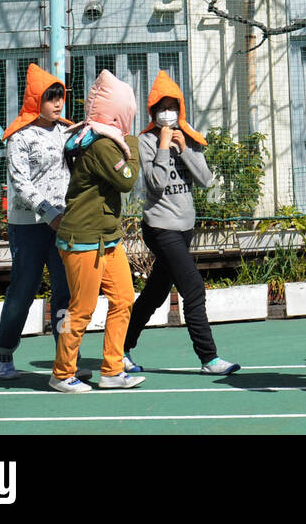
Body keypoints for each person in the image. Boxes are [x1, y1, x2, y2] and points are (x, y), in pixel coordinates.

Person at [123, 71, 239, 376]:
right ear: (153, 111)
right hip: (160, 229)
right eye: (161, 107)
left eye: (172, 105)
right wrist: (163, 146)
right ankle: (209, 358)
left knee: (155, 294)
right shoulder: (146, 142)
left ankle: (120, 348)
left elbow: (204, 179)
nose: (167, 112)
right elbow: (155, 185)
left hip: (184, 229)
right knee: (193, 289)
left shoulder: (189, 137)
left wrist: (184, 149)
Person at [50, 70, 143, 393]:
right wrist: (132, 141)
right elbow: (127, 179)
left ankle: (112, 369)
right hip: (84, 240)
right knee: (82, 309)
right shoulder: (104, 145)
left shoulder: (95, 138)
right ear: (120, 113)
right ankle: (62, 373)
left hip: (107, 237)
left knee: (123, 299)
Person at [0, 64, 75, 380]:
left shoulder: (67, 131)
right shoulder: (19, 137)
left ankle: (67, 357)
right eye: (50, 99)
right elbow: (21, 183)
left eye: (60, 97)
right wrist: (48, 213)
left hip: (64, 223)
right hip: (28, 226)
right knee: (23, 291)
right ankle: (3, 348)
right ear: (34, 102)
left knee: (65, 293)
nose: (57, 104)